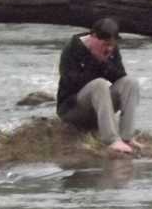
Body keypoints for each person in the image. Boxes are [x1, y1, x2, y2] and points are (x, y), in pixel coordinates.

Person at [56, 17, 142, 155]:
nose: (109, 48)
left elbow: (119, 77)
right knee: (99, 84)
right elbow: (72, 82)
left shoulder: (111, 49)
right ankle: (111, 140)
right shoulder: (72, 49)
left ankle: (127, 137)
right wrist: (95, 61)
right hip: (73, 109)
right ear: (93, 37)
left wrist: (105, 63)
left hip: (98, 109)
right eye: (105, 44)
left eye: (112, 45)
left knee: (130, 83)